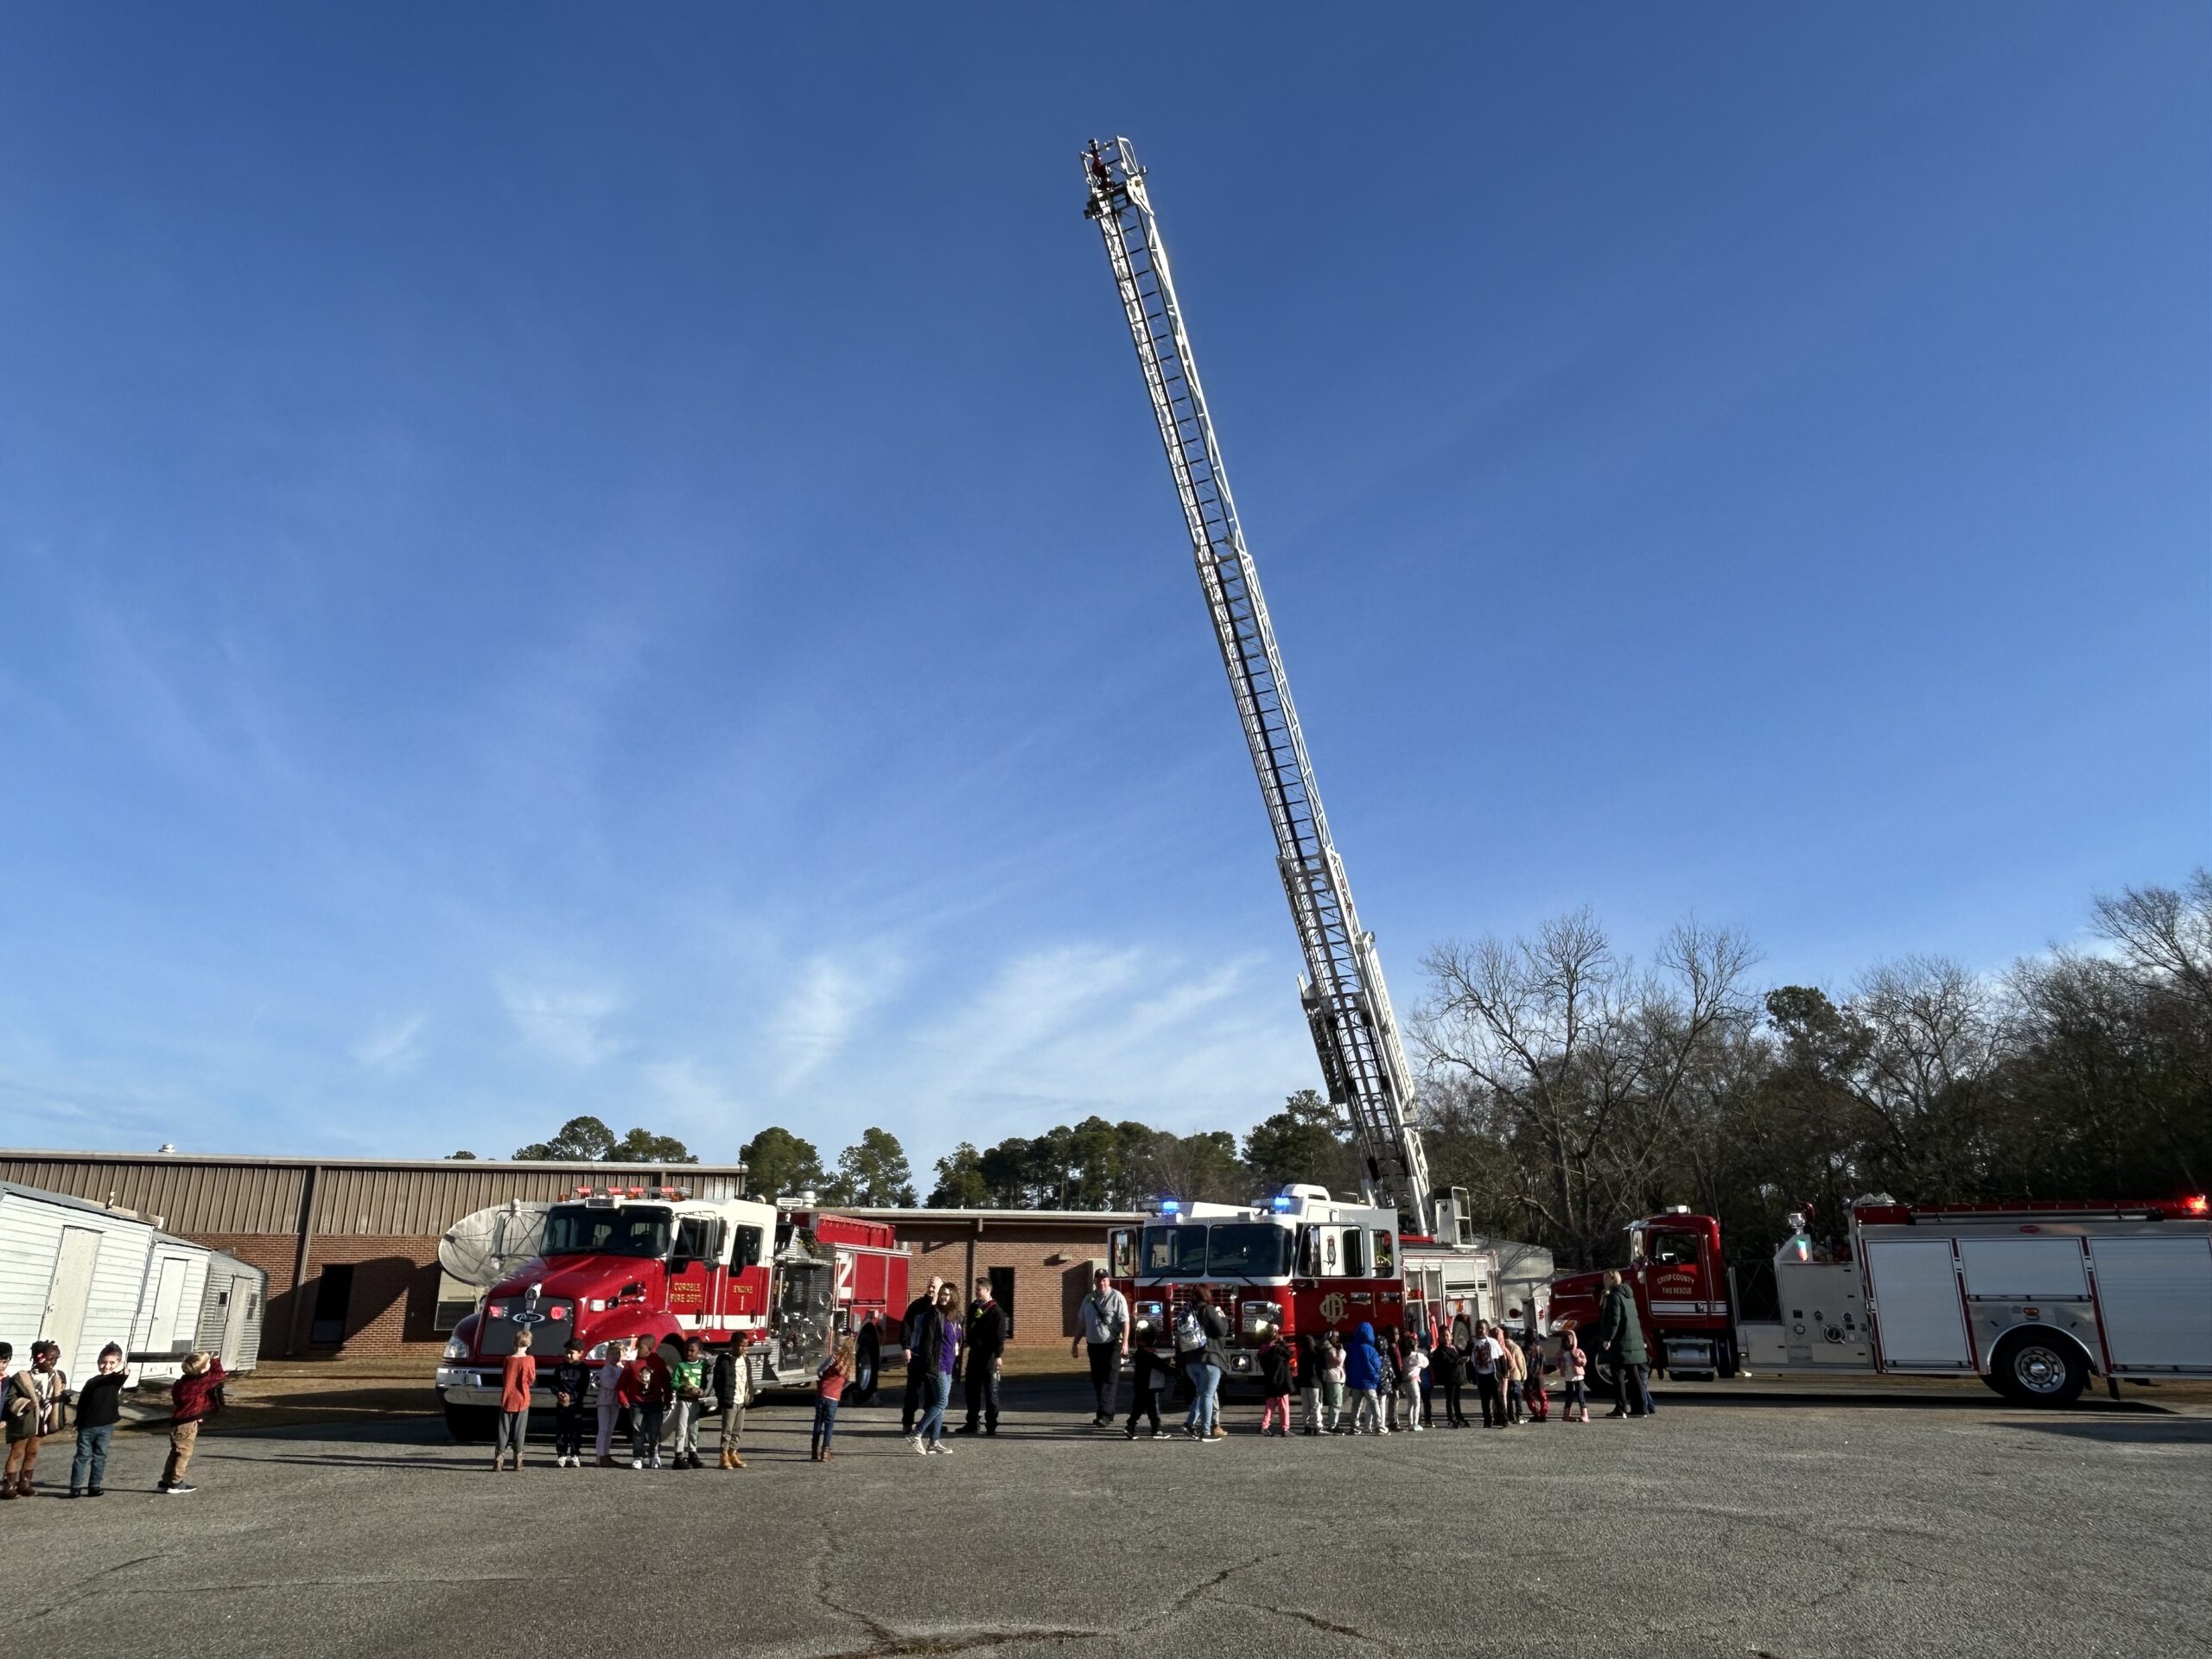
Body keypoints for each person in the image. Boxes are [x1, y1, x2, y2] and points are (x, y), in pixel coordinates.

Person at [3, 1339, 67, 1497]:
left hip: (41, 1421)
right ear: (39, 1357)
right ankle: (8, 1485)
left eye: (56, 1359)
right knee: (17, 1452)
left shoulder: (55, 1377)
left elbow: (55, 1395)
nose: (53, 1363)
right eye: (50, 1358)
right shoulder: (22, 1377)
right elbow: (10, 1398)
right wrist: (25, 1404)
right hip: (25, 1421)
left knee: (32, 1452)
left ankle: (25, 1483)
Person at [158, 1351, 226, 1495]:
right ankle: (176, 1482)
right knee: (184, 1453)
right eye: (207, 1363)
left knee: (176, 1452)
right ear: (202, 1369)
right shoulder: (200, 1382)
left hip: (179, 1419)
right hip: (188, 1422)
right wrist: (216, 1361)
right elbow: (219, 1376)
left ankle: (166, 1481)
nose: (210, 1365)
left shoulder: (182, 1381)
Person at [67, 1343, 128, 1498]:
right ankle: (76, 1486)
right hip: (87, 1426)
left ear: (118, 1363)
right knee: (82, 1456)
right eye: (103, 1362)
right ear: (98, 1361)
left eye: (111, 1363)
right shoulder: (92, 1382)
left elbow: (121, 1378)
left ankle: (94, 1485)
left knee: (100, 1456)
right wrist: (77, 1422)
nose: (106, 1366)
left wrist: (124, 1372)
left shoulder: (115, 1380)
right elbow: (82, 1404)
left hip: (105, 1426)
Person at [1071, 1268, 1128, 1427]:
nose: (1101, 1283)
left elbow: (1126, 1322)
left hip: (1111, 1345)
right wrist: (1075, 1343)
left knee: (1109, 1380)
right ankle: (1106, 1412)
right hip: (1094, 1345)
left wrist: (1125, 1343)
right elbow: (1082, 1323)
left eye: (1104, 1280)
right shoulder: (1088, 1299)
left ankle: (1104, 1414)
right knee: (1097, 1380)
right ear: (1095, 1281)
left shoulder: (1117, 1297)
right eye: (1098, 1280)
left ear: (1109, 1281)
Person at [1596, 1270, 1654, 1419]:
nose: (1604, 1281)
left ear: (1612, 1279)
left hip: (1621, 1343)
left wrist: (1608, 1339)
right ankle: (1641, 1409)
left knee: (1618, 1376)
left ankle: (1621, 1408)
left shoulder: (1615, 1296)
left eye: (1605, 1278)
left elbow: (1615, 1320)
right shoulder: (1628, 1295)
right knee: (1634, 1376)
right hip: (1632, 1342)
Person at [958, 1277, 1006, 1437]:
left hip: (989, 1357)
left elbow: (1000, 1336)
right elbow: (969, 1327)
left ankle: (991, 1425)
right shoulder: (974, 1307)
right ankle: (972, 1423)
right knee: (971, 1390)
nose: (976, 1292)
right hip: (974, 1355)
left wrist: (998, 1355)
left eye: (979, 1289)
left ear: (988, 1290)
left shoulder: (996, 1311)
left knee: (990, 1393)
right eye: (976, 1289)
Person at [918, 1283, 962, 1454]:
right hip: (938, 1365)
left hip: (950, 1364)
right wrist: (929, 1365)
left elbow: (958, 1341)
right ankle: (917, 1432)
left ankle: (934, 1442)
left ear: (953, 1297)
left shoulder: (955, 1317)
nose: (944, 1297)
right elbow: (927, 1342)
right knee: (942, 1401)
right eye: (942, 1293)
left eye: (947, 1294)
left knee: (940, 1403)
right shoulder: (935, 1314)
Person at [904, 1284, 947, 1455]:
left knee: (933, 1395)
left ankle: (931, 1429)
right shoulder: (917, 1306)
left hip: (933, 1360)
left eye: (934, 1286)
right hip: (916, 1355)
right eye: (930, 1285)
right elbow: (907, 1326)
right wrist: (906, 1346)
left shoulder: (942, 1310)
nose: (931, 1289)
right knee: (912, 1391)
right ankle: (908, 1423)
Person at [620, 1337, 673, 1467]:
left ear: (650, 1349)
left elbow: (666, 1381)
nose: (637, 1349)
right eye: (637, 1346)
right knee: (638, 1430)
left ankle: (655, 1456)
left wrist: (668, 1398)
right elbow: (622, 1384)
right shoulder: (632, 1363)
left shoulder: (658, 1363)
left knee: (654, 1431)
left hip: (654, 1402)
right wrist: (623, 1399)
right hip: (637, 1403)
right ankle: (638, 1456)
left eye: (641, 1347)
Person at [493, 1329, 536, 1471]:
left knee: (503, 1430)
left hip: (508, 1396)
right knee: (520, 1430)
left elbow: (505, 1377)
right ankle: (518, 1460)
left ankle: (499, 1459)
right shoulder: (530, 1360)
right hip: (523, 1398)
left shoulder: (508, 1359)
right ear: (528, 1344)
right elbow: (531, 1378)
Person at [1189, 1300, 1230, 1442]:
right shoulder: (1209, 1310)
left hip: (1191, 1359)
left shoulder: (1188, 1311)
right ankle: (1206, 1431)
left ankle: (1189, 1423)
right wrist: (1222, 1317)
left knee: (1201, 1393)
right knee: (1208, 1395)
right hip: (1210, 1358)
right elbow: (1222, 1331)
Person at [669, 1337, 711, 1470]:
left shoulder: (703, 1366)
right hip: (683, 1401)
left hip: (695, 1402)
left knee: (694, 1429)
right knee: (681, 1429)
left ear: (700, 1351)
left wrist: (702, 1391)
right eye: (686, 1350)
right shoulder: (680, 1366)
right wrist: (686, 1388)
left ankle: (693, 1454)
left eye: (692, 1351)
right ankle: (679, 1457)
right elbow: (673, 1383)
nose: (688, 1353)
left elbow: (706, 1382)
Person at [549, 1338, 592, 1468]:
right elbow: (553, 1384)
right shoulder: (561, 1368)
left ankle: (575, 1455)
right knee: (562, 1430)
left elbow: (583, 1388)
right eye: (566, 1352)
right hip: (562, 1405)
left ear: (580, 1353)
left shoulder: (584, 1369)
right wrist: (559, 1394)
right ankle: (561, 1455)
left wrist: (571, 1397)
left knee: (575, 1431)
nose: (568, 1355)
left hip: (576, 1405)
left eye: (571, 1353)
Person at [811, 1335, 854, 1462]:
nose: (837, 1345)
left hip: (823, 1392)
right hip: (834, 1397)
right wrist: (840, 1387)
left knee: (818, 1422)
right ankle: (825, 1451)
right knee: (829, 1424)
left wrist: (823, 1379)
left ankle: (814, 1451)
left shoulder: (833, 1358)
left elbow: (820, 1371)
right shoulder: (848, 1363)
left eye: (839, 1344)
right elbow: (850, 1380)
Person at [1123, 1328, 1171, 1440]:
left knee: (1138, 1407)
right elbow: (1163, 1368)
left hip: (1139, 1385)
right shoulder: (1151, 1356)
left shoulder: (1138, 1354)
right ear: (1153, 1340)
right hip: (1150, 1385)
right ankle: (1156, 1430)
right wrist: (1177, 1372)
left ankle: (1130, 1425)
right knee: (1153, 1408)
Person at [594, 1335, 632, 1467]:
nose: (616, 1356)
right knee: (603, 1429)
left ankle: (606, 1453)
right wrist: (622, 1383)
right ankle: (600, 1455)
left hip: (615, 1402)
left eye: (618, 1353)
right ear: (607, 1355)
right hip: (605, 1401)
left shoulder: (621, 1369)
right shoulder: (606, 1369)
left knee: (609, 1430)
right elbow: (609, 1384)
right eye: (613, 1353)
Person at [714, 1336, 749, 1469]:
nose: (743, 1349)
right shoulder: (725, 1360)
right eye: (740, 1345)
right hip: (730, 1399)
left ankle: (733, 1453)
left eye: (745, 1346)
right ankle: (723, 1455)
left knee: (737, 1430)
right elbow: (717, 1381)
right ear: (732, 1345)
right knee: (727, 1430)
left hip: (742, 1399)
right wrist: (721, 1397)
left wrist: (748, 1395)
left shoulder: (746, 1360)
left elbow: (748, 1379)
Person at [1256, 1328, 1294, 1436]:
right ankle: (1285, 1428)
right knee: (1284, 1406)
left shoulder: (1262, 1351)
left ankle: (1264, 1425)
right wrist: (1283, 1342)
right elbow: (1289, 1354)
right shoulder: (1277, 1349)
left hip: (1269, 1380)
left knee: (1270, 1405)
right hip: (1281, 1381)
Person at [1433, 1329, 1469, 1427]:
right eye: (1443, 1336)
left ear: (1452, 1336)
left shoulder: (1454, 1348)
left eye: (1447, 1335)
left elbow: (1463, 1353)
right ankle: (1450, 1418)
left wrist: (1470, 1344)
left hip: (1457, 1377)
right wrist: (1461, 1360)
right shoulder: (1440, 1350)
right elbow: (1448, 1361)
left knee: (1456, 1399)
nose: (1446, 1338)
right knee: (1450, 1399)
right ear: (1439, 1338)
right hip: (1449, 1378)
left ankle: (1459, 1416)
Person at [1558, 1328, 1590, 1423]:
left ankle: (1584, 1414)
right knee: (1569, 1396)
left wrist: (1578, 1358)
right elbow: (1559, 1364)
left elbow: (1584, 1361)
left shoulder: (1577, 1351)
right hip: (1569, 1377)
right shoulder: (1563, 1353)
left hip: (1578, 1377)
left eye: (1570, 1341)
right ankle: (1566, 1415)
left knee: (1580, 1396)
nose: (1568, 1343)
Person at [1294, 1332, 1325, 1435]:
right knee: (1316, 1405)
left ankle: (1306, 1426)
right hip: (1314, 1383)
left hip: (1303, 1383)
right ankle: (1318, 1426)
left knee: (1305, 1406)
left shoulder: (1302, 1356)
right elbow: (1321, 1369)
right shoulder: (1315, 1355)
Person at [1398, 1332, 1427, 1432]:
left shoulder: (1405, 1358)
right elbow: (1426, 1363)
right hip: (1414, 1382)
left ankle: (1410, 1423)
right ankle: (1415, 1423)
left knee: (1410, 1403)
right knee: (1417, 1402)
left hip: (1406, 1382)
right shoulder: (1418, 1356)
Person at [1320, 1334, 1346, 1433]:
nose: (1337, 1338)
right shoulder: (1330, 1349)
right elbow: (1339, 1361)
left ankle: (1333, 1422)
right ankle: (1333, 1425)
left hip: (1334, 1377)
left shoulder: (1328, 1348)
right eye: (1335, 1336)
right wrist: (1342, 1350)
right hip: (1334, 1377)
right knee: (1336, 1402)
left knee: (1334, 1402)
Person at [1501, 1327, 1527, 1426]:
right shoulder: (1514, 1347)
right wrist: (1523, 1375)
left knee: (1509, 1398)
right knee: (1518, 1397)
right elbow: (1520, 1362)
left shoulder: (1501, 1346)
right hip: (1515, 1375)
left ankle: (1510, 1415)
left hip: (1506, 1376)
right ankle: (1519, 1415)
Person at [1525, 1334, 1551, 1423]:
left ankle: (1536, 1413)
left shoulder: (1525, 1349)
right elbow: (1545, 1363)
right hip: (1539, 1376)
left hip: (1528, 1376)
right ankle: (1543, 1414)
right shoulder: (1541, 1351)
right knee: (1542, 1396)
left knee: (1528, 1395)